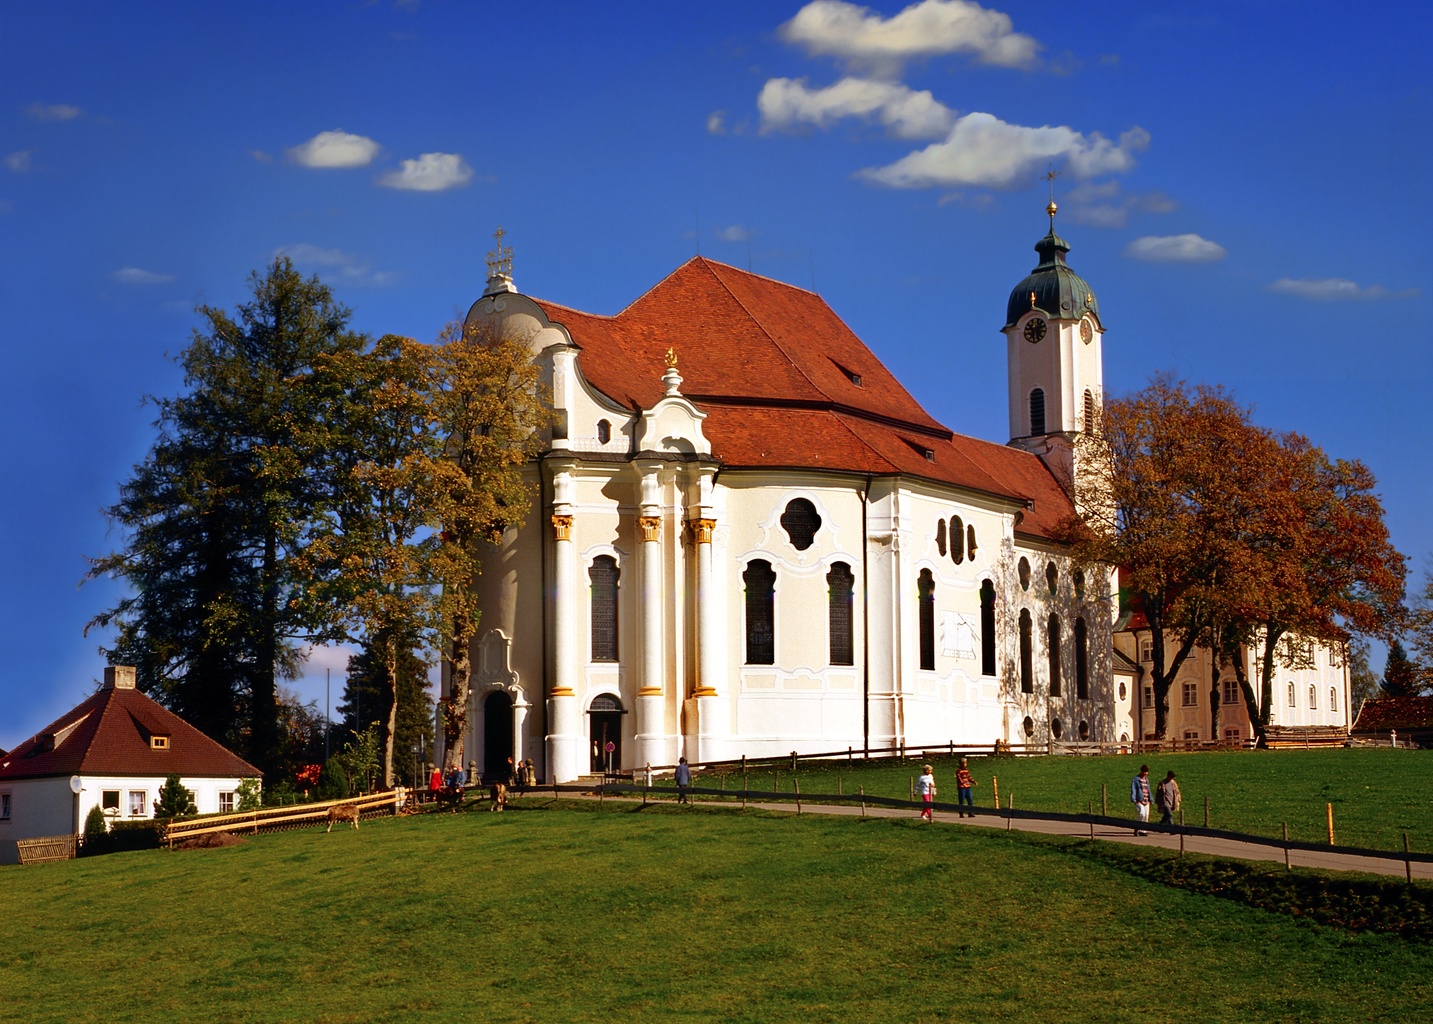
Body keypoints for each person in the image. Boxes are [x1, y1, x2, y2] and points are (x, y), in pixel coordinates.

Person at [1130, 764, 1152, 835]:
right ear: (1141, 771)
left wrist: (1150, 799)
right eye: (1144, 772)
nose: (1145, 773)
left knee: (1146, 815)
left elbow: (1148, 790)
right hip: (1139, 800)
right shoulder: (1136, 779)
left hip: (1146, 800)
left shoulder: (1146, 779)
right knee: (1141, 813)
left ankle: (1143, 830)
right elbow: (1134, 789)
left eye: (1146, 772)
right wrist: (1133, 798)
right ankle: (1137, 827)